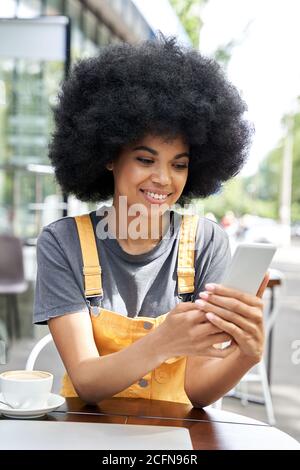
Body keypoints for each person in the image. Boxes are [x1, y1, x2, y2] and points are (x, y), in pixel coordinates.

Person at [34, 34, 268, 407]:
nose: (163, 178)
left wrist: (246, 355)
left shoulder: (206, 242)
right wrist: (164, 341)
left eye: (179, 164)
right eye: (145, 159)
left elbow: (196, 391)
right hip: (86, 432)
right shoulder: (63, 242)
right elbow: (87, 381)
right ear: (110, 156)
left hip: (175, 436)